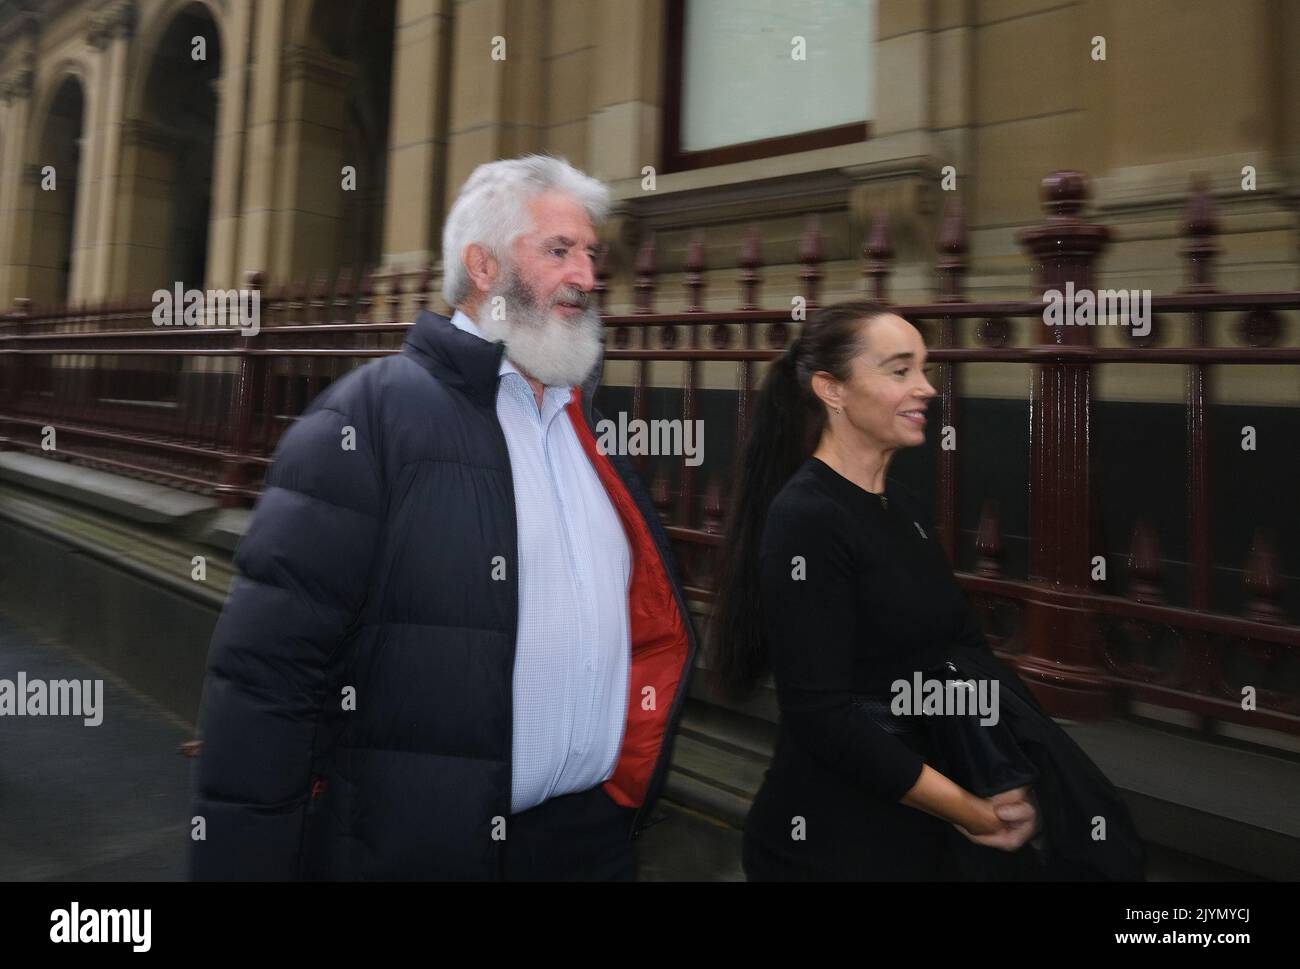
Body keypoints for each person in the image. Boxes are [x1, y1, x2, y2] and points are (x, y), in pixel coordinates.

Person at [188, 155, 696, 881]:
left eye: (590, 254)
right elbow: (268, 682)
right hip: (429, 854)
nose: (586, 277)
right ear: (482, 266)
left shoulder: (588, 429)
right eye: (559, 251)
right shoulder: (366, 420)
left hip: (594, 842)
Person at [707, 300, 1046, 880]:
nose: (926, 389)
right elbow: (822, 715)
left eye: (924, 369)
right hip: (835, 846)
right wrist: (971, 810)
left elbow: (961, 655)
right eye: (899, 370)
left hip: (923, 832)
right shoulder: (807, 517)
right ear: (831, 390)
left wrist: (1001, 773)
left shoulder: (903, 507)